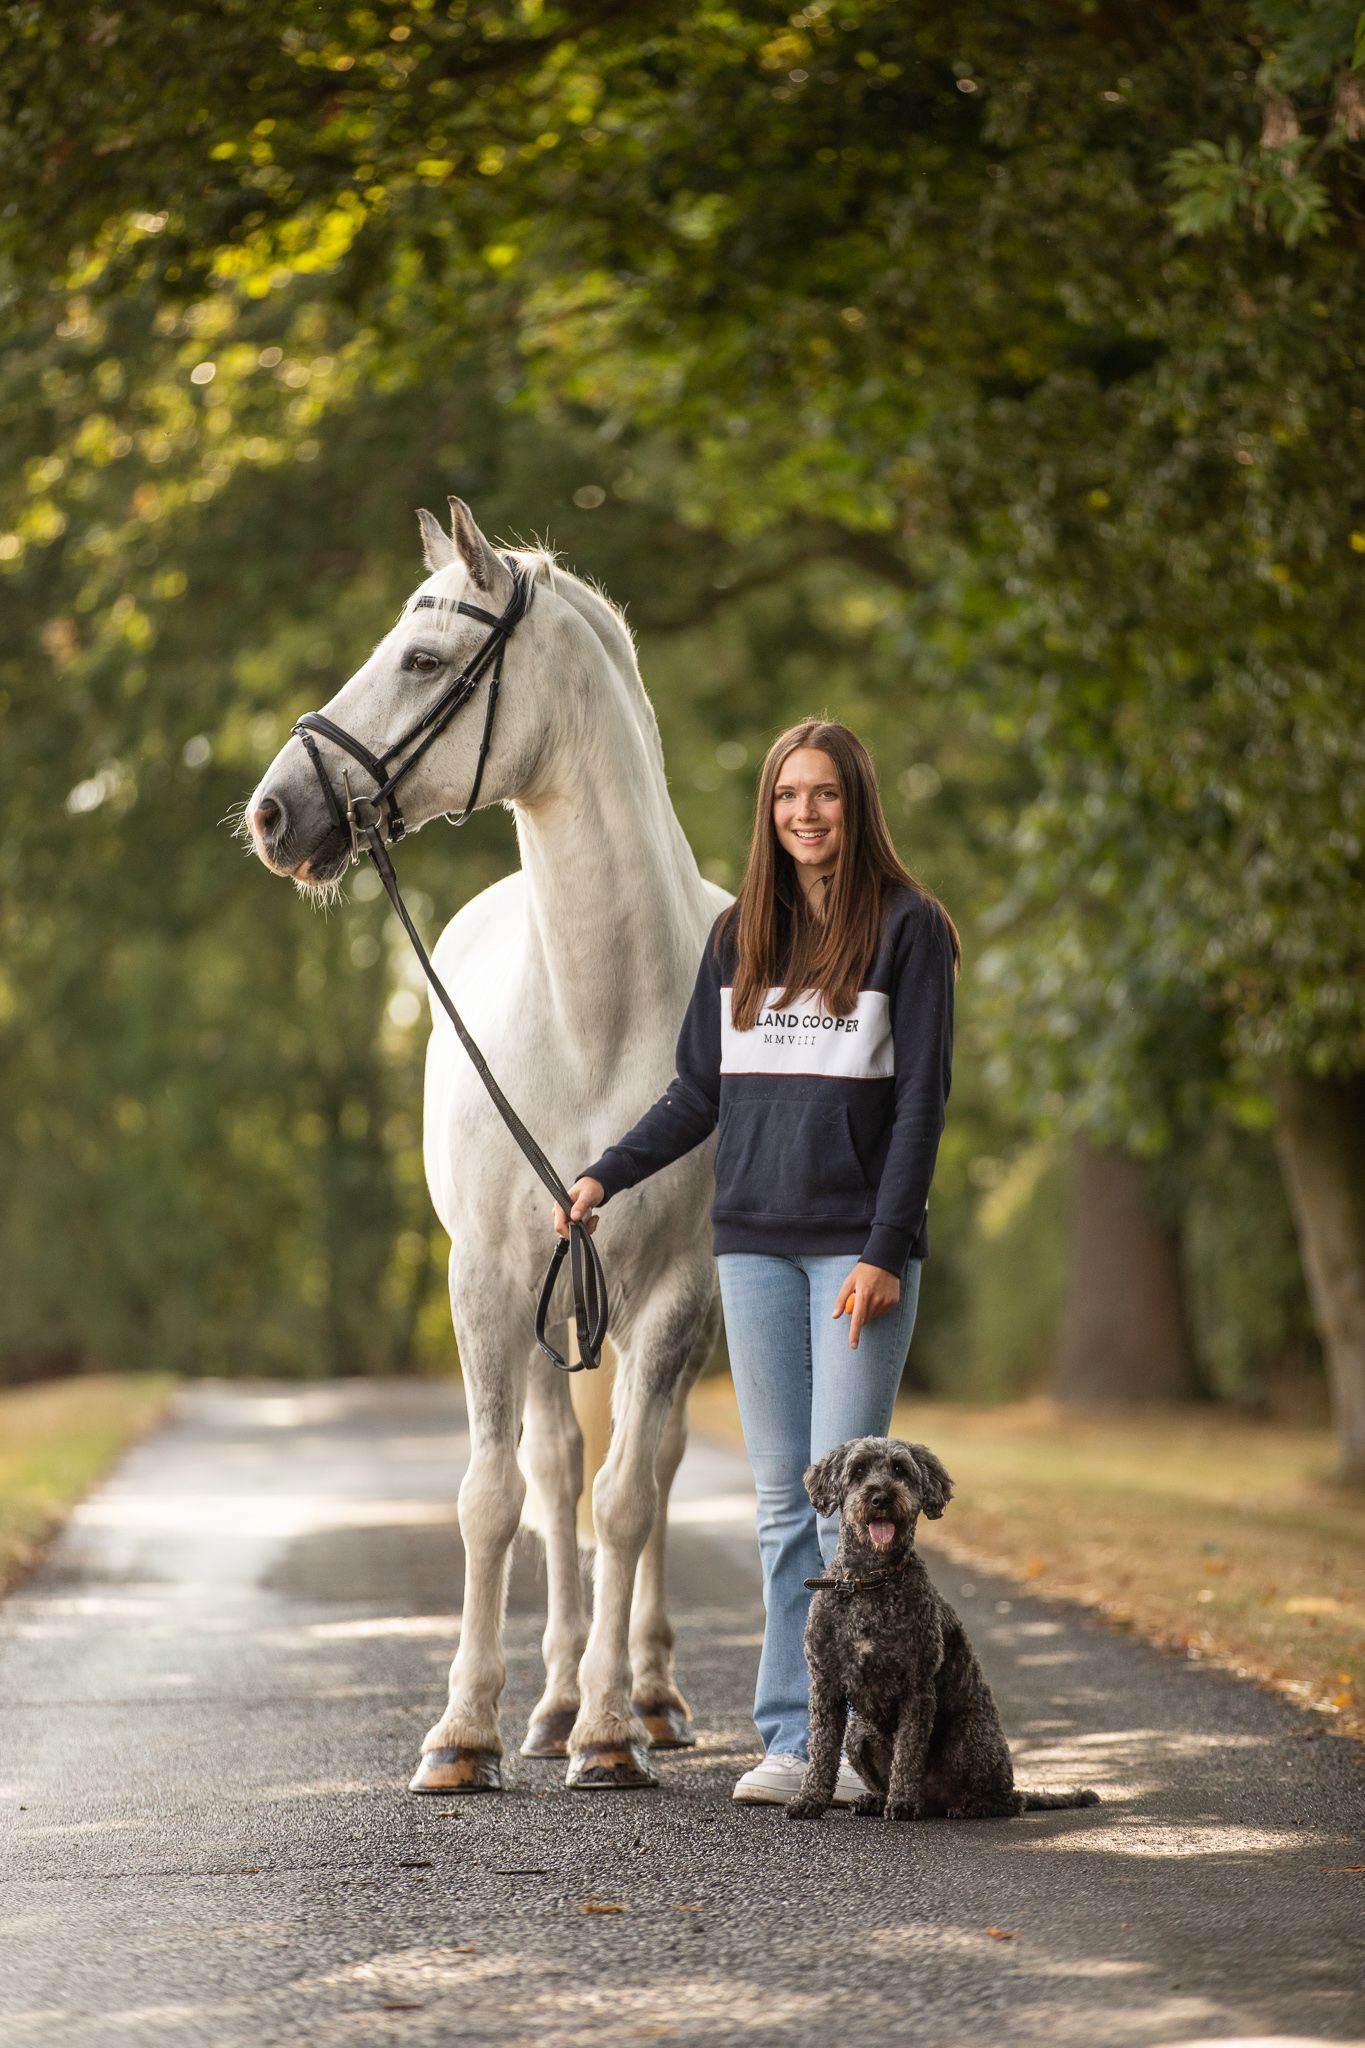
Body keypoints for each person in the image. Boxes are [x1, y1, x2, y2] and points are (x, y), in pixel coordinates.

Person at [552, 718, 960, 1805]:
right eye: (788, 796)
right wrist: (603, 1174)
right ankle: (791, 1738)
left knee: (845, 1499)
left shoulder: (912, 930)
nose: (806, 813)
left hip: (857, 1255)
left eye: (824, 794)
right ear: (769, 811)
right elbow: (698, 1091)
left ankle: (880, 1749)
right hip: (756, 1248)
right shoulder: (739, 936)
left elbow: (921, 1101)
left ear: (856, 804)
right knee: (785, 1499)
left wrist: (884, 1245)